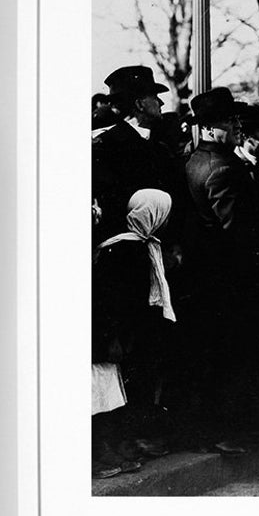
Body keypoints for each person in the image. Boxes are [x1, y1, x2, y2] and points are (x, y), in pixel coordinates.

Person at [181, 86, 259, 452]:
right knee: (231, 354)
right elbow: (238, 234)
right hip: (230, 279)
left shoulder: (197, 160)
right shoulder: (222, 167)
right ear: (210, 127)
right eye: (229, 120)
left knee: (218, 354)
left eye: (235, 119)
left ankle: (224, 430)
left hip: (210, 275)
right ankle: (225, 433)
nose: (237, 126)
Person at [91, 189, 177, 476]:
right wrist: (114, 338)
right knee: (112, 391)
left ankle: (126, 443)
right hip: (119, 334)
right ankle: (111, 447)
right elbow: (112, 299)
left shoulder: (146, 246)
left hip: (134, 332)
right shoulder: (123, 250)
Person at [92, 66, 185, 248]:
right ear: (139, 104)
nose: (161, 103)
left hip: (161, 247)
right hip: (124, 251)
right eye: (155, 97)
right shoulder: (107, 147)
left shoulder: (160, 147)